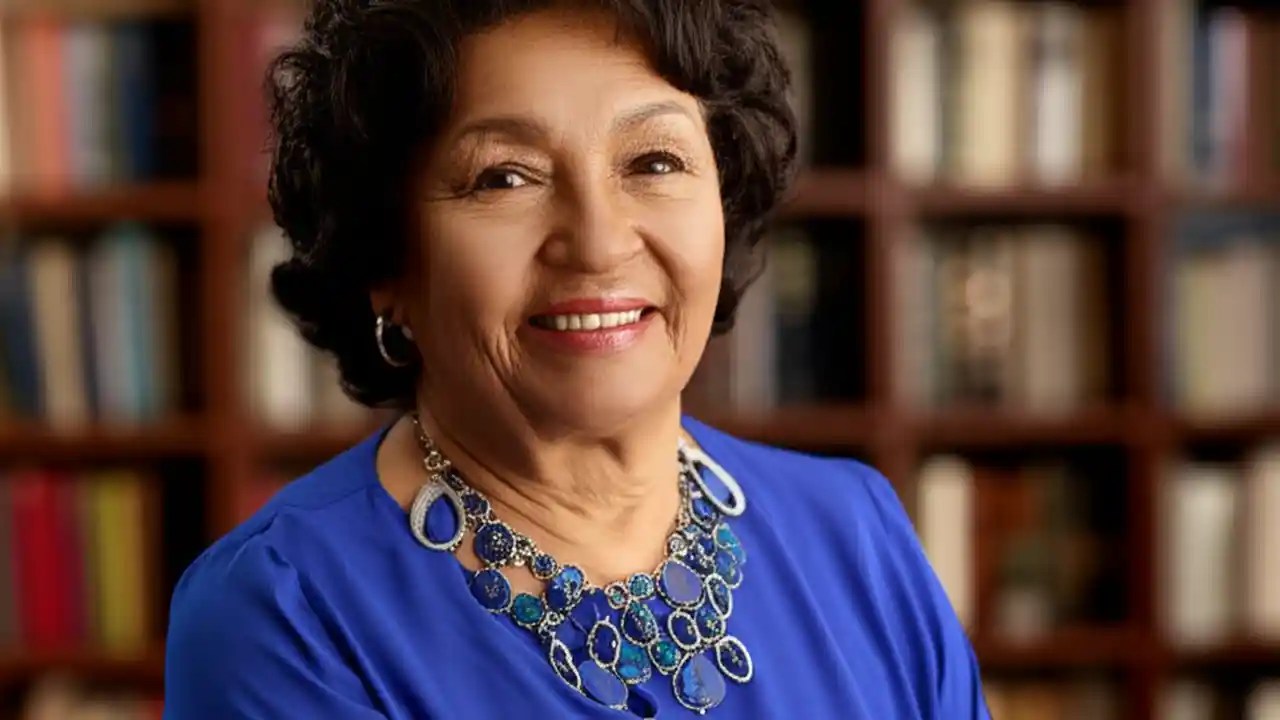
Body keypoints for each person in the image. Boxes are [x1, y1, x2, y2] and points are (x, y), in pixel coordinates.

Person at [162, 1, 989, 717]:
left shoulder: (855, 532)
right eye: (504, 178)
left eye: (654, 162)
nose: (597, 242)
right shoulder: (283, 613)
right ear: (387, 259)